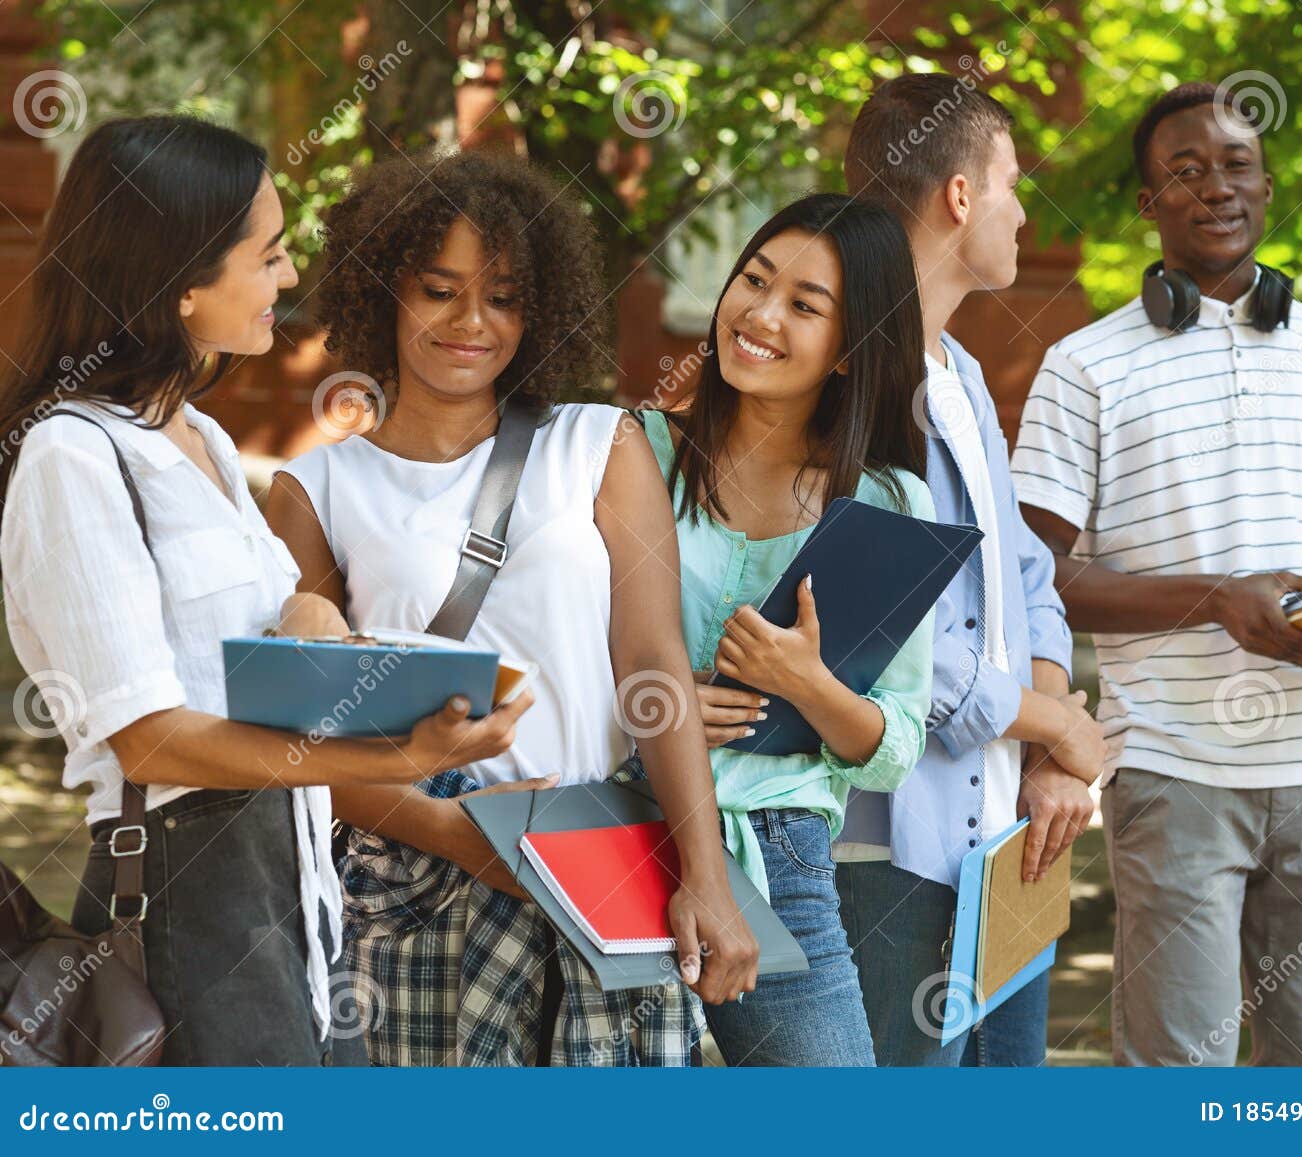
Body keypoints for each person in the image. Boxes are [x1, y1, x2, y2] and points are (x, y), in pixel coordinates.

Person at [0, 116, 529, 1066]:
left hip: (299, 877)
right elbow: (148, 734)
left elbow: (280, 608)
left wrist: (316, 619)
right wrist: (392, 755)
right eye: (270, 254)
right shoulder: (73, 455)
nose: (289, 278)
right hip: (189, 894)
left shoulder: (195, 434)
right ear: (183, 283)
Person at [266, 150, 757, 1067]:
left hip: (597, 858)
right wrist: (459, 833)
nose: (472, 323)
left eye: (502, 296)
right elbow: (298, 740)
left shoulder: (599, 444)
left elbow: (651, 662)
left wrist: (706, 872)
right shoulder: (317, 488)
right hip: (412, 881)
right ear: (383, 293)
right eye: (439, 290)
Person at [1012, 81, 1302, 1066]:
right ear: (1148, 204)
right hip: (1172, 765)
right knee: (1178, 1081)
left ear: (1267, 186)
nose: (1214, 187)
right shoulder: (1083, 364)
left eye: (1234, 165)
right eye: (1183, 172)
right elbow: (1031, 574)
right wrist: (1214, 600)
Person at [836, 73, 1105, 1067]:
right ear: (958, 196)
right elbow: (894, 646)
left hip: (1008, 836)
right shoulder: (855, 372)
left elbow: (1028, 574)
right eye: (1011, 182)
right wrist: (1059, 722)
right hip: (890, 848)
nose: (1022, 210)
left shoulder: (962, 373)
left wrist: (1049, 758)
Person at [652, 192, 935, 1066]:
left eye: (804, 305)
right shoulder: (640, 454)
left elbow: (897, 743)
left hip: (784, 856)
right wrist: (659, 704)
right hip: (625, 827)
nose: (760, 314)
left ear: (851, 348)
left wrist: (804, 680)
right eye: (753, 279)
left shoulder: (887, 503)